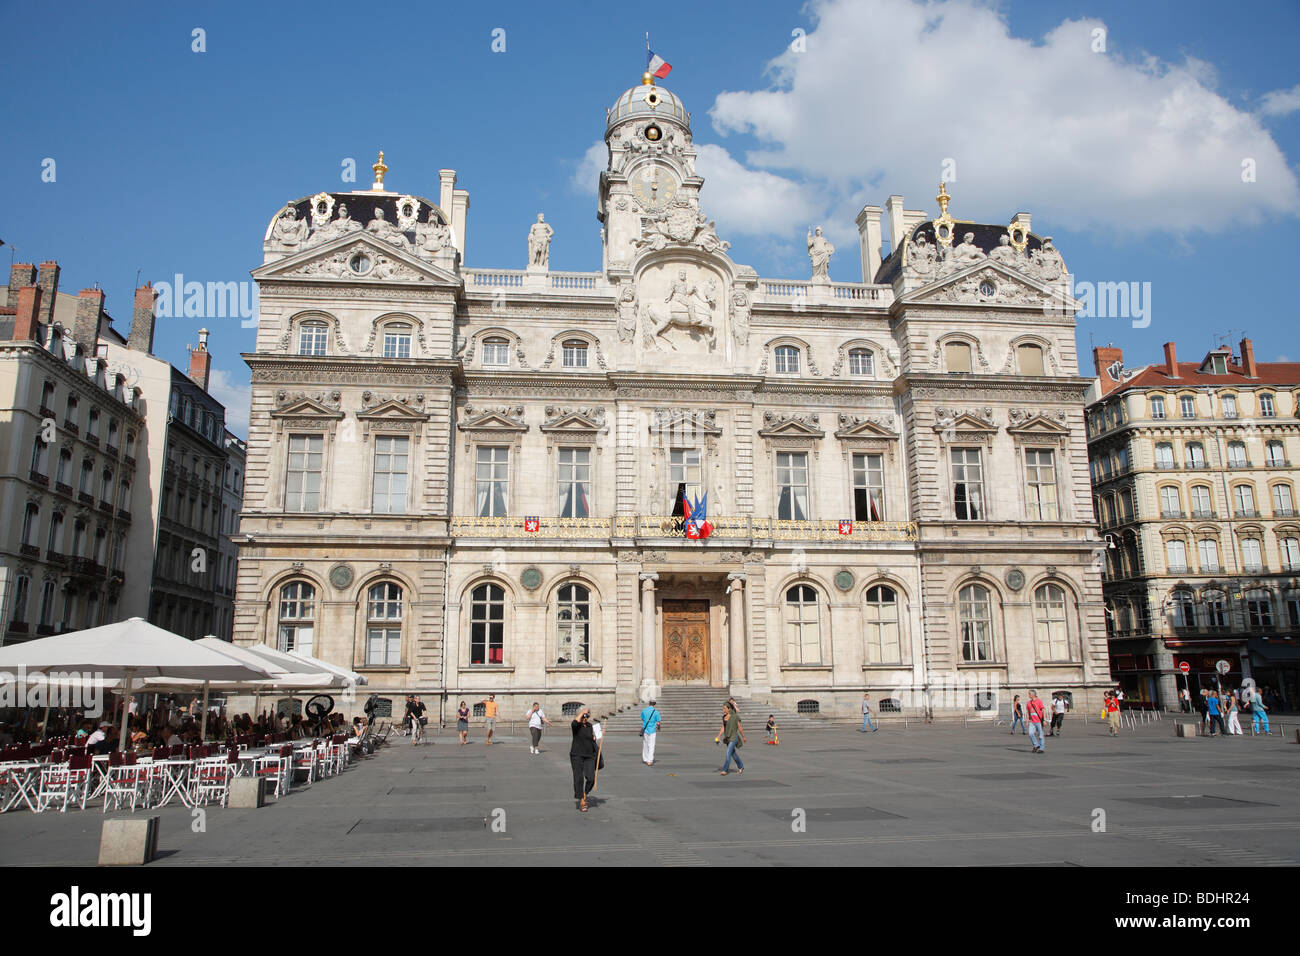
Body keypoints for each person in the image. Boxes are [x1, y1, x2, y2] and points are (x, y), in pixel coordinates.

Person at [569, 706, 598, 812]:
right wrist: (582, 713)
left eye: (587, 715)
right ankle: (581, 800)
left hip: (589, 755)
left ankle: (585, 793)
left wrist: (595, 737)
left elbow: (591, 738)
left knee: (591, 778)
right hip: (576, 754)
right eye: (584, 716)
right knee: (579, 778)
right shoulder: (576, 725)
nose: (586, 717)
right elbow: (574, 722)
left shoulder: (590, 726)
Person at [718, 703, 745, 774]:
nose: (723, 710)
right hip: (727, 738)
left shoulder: (735, 717)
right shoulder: (724, 717)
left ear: (729, 709)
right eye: (723, 708)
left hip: (734, 737)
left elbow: (739, 727)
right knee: (733, 754)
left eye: (724, 708)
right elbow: (723, 727)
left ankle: (725, 770)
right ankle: (741, 766)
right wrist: (718, 736)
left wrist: (743, 737)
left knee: (728, 753)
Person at [640, 698, 662, 765]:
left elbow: (642, 718)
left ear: (649, 703)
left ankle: (645, 758)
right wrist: (658, 727)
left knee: (645, 744)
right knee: (651, 745)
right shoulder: (656, 712)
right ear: (654, 704)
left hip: (645, 729)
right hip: (652, 730)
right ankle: (650, 760)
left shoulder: (644, 710)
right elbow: (658, 722)